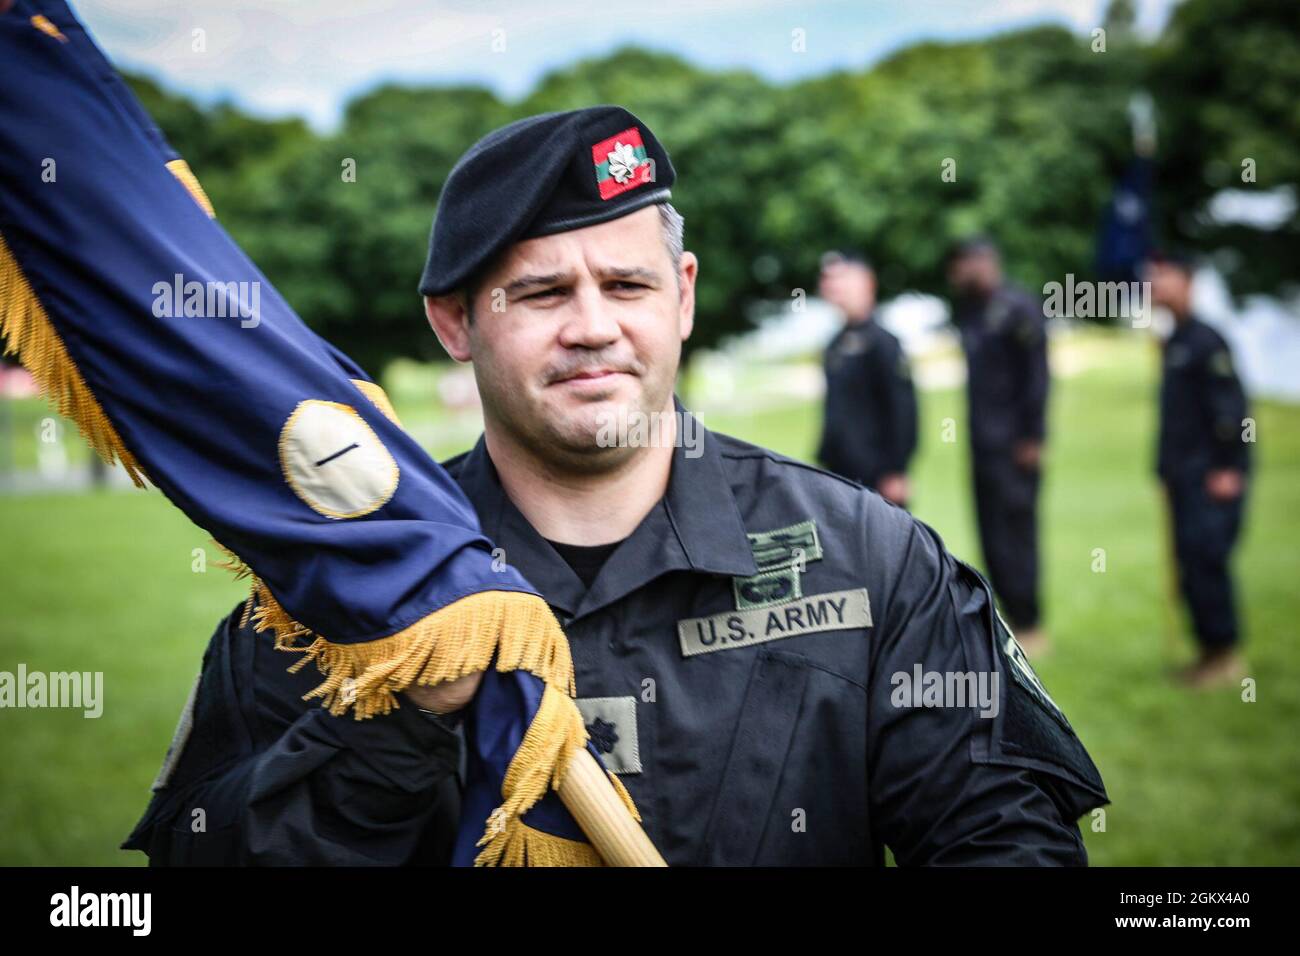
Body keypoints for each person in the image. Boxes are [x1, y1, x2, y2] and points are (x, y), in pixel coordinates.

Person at [126, 107, 1106, 866]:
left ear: (682, 294)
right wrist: (402, 719)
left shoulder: (873, 557)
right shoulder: (335, 597)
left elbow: (1006, 836)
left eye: (627, 286)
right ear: (454, 324)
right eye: (543, 291)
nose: (592, 326)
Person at [1147, 251, 1251, 688]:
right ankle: (1207, 652)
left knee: (1207, 560)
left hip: (1212, 475)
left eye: (1162, 277)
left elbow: (1233, 412)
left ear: (1188, 281)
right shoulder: (1176, 340)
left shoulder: (1208, 341)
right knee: (1189, 561)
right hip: (1183, 475)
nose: (1153, 285)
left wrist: (1229, 466)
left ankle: (1225, 657)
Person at [947, 237, 1050, 655]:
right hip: (982, 447)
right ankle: (1005, 619)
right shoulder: (970, 314)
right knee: (990, 533)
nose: (955, 275)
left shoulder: (1018, 310)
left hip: (1015, 448)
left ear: (984, 262)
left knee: (1016, 532)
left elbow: (1037, 378)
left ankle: (1030, 623)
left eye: (961, 265)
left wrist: (1033, 436)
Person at [815, 251, 918, 506]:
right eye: (828, 279)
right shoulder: (835, 345)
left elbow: (904, 409)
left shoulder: (884, 343)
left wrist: (897, 470)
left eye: (843, 278)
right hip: (841, 474)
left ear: (867, 282)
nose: (834, 286)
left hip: (879, 478)